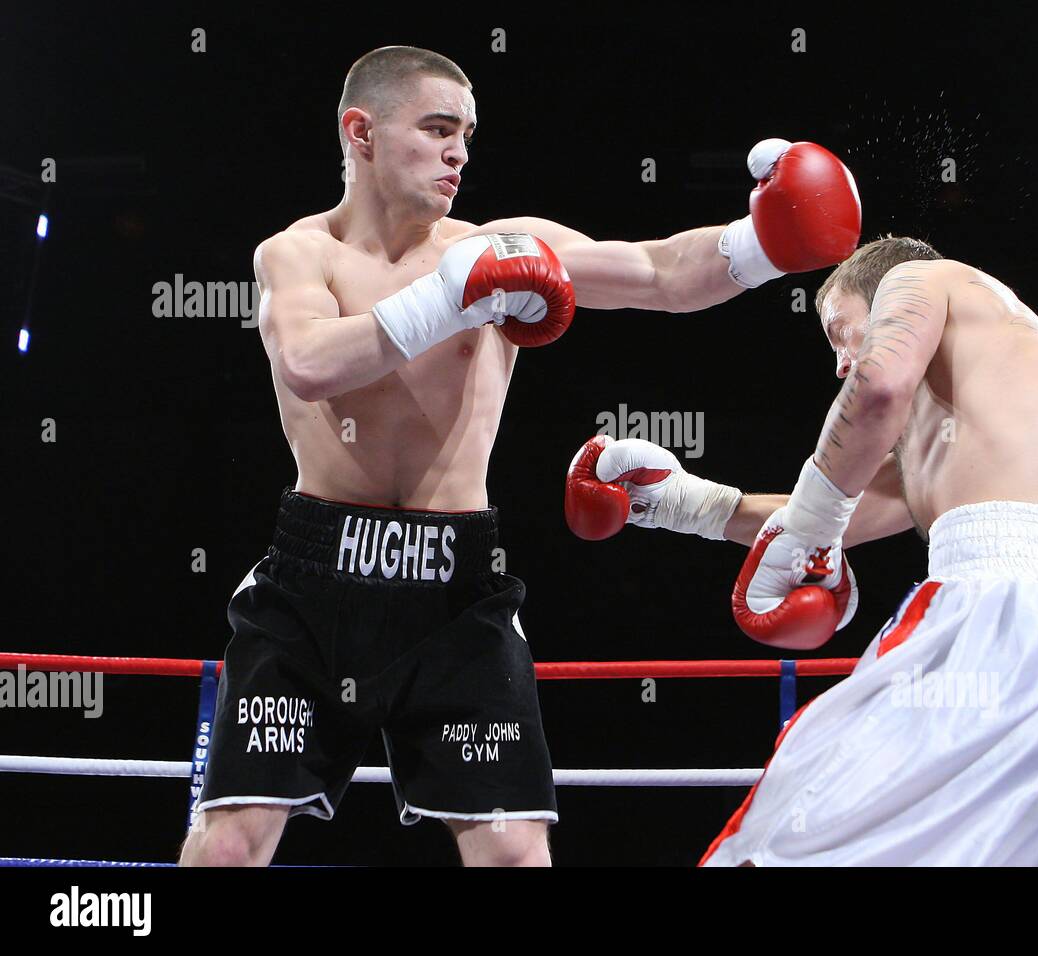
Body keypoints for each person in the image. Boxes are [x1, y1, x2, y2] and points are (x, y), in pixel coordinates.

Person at [180, 45, 860, 867]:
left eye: (465, 133)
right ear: (360, 132)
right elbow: (311, 365)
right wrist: (451, 297)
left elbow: (659, 273)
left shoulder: (505, 244)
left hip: (456, 593)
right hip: (312, 583)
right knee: (232, 844)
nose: (458, 151)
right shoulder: (300, 253)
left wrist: (765, 241)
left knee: (512, 852)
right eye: (435, 129)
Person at [565, 236, 1038, 865]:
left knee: (787, 828)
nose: (840, 362)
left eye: (839, 332)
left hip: (1007, 617)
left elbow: (878, 386)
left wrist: (814, 519)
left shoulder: (921, 278)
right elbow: (829, 522)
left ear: (876, 294)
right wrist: (685, 503)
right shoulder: (990, 401)